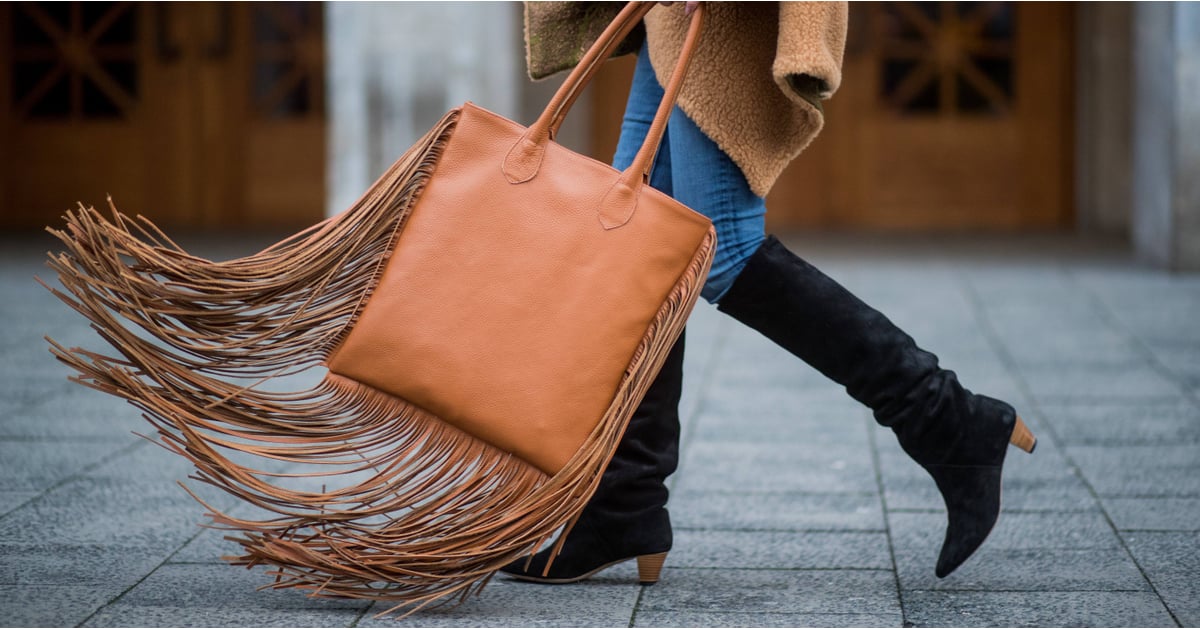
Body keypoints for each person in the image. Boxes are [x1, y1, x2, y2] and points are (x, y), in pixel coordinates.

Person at [501, 1, 1036, 585]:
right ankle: (622, 508)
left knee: (725, 252)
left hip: (720, 23)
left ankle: (947, 417)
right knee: (635, 247)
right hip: (673, 18)